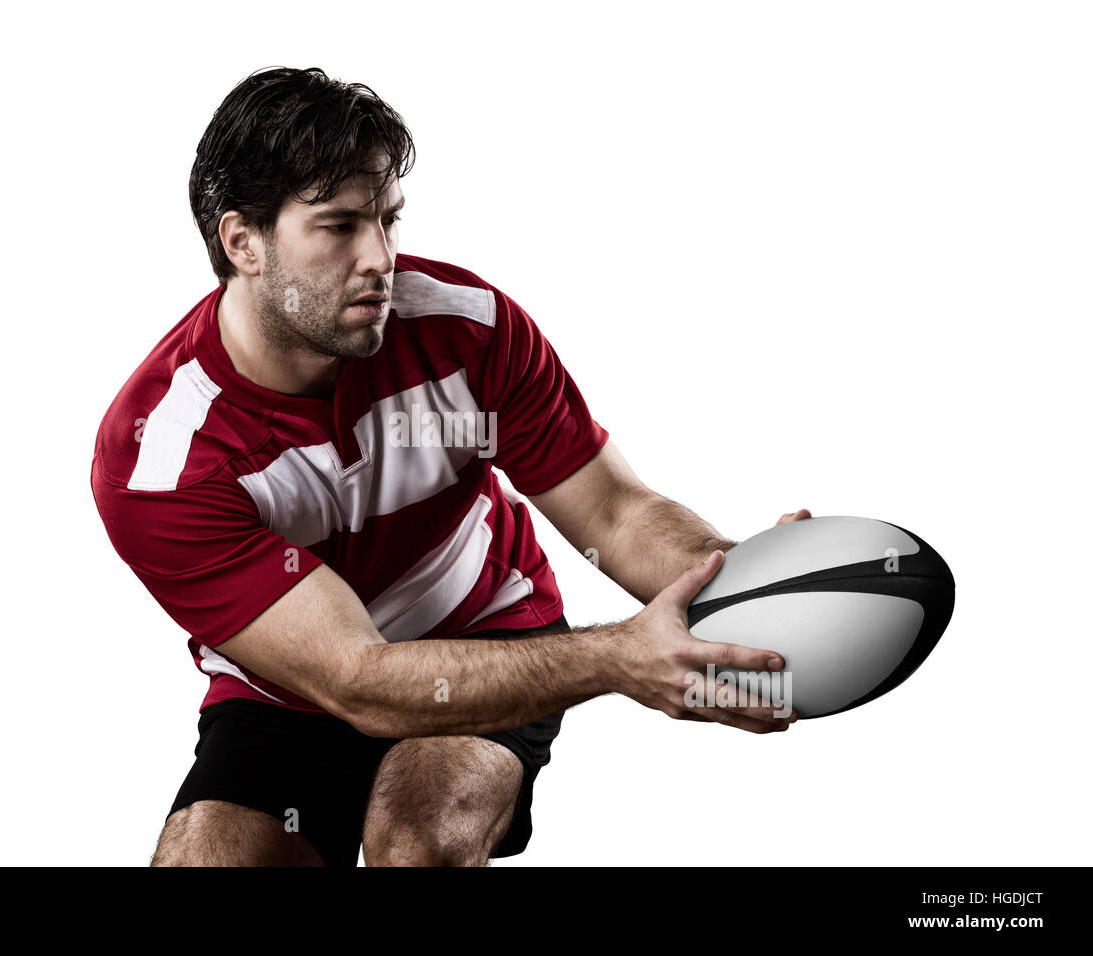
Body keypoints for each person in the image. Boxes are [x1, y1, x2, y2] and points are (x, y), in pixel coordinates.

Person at [90, 66, 805, 867]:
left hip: (486, 629)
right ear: (242, 242)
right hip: (296, 686)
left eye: (388, 219)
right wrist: (617, 658)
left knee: (415, 846)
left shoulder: (469, 331)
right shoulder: (160, 463)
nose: (381, 258)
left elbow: (612, 512)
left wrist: (748, 591)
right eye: (339, 226)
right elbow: (355, 677)